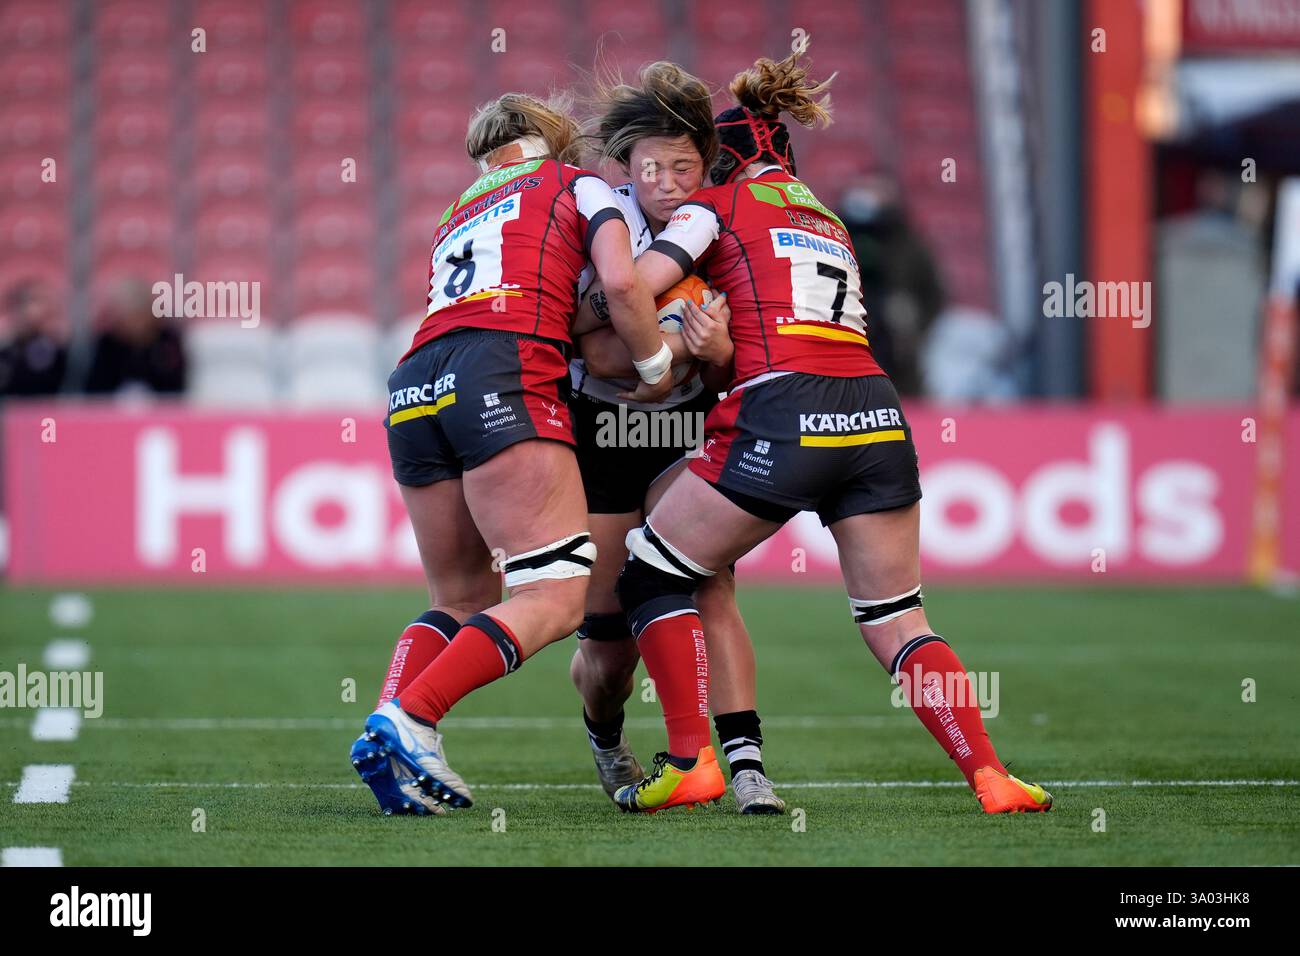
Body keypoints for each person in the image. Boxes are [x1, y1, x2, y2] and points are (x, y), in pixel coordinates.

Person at [597, 50, 1053, 814]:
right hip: (876, 412)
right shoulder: (828, 218)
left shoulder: (723, 206)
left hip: (786, 411)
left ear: (726, 160)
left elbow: (634, 287)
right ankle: (990, 775)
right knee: (897, 617)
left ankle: (690, 761)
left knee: (649, 570)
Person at [351, 92, 672, 816]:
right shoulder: (576, 183)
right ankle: (411, 719)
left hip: (415, 383)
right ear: (554, 140)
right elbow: (621, 283)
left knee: (459, 599)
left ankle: (389, 722)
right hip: (503, 371)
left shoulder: (460, 206)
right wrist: (655, 364)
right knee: (557, 596)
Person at [567, 61, 784, 813]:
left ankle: (745, 761)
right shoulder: (605, 222)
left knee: (706, 584)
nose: (666, 180)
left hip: (680, 428)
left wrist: (715, 354)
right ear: (627, 166)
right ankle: (604, 735)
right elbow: (594, 351)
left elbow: (733, 368)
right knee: (605, 647)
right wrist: (689, 345)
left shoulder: (726, 231)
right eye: (650, 165)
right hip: (599, 430)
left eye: (683, 165)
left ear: (706, 164)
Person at [85, 278, 186, 395]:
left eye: (140, 315)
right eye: (130, 317)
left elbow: (177, 388)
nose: (136, 324)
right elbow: (96, 392)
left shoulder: (168, 341)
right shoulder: (106, 344)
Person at [0, 280, 67, 396]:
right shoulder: (6, 348)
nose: (46, 308)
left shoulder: (55, 348)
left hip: (46, 410)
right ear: (17, 308)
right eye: (36, 301)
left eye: (46, 301)